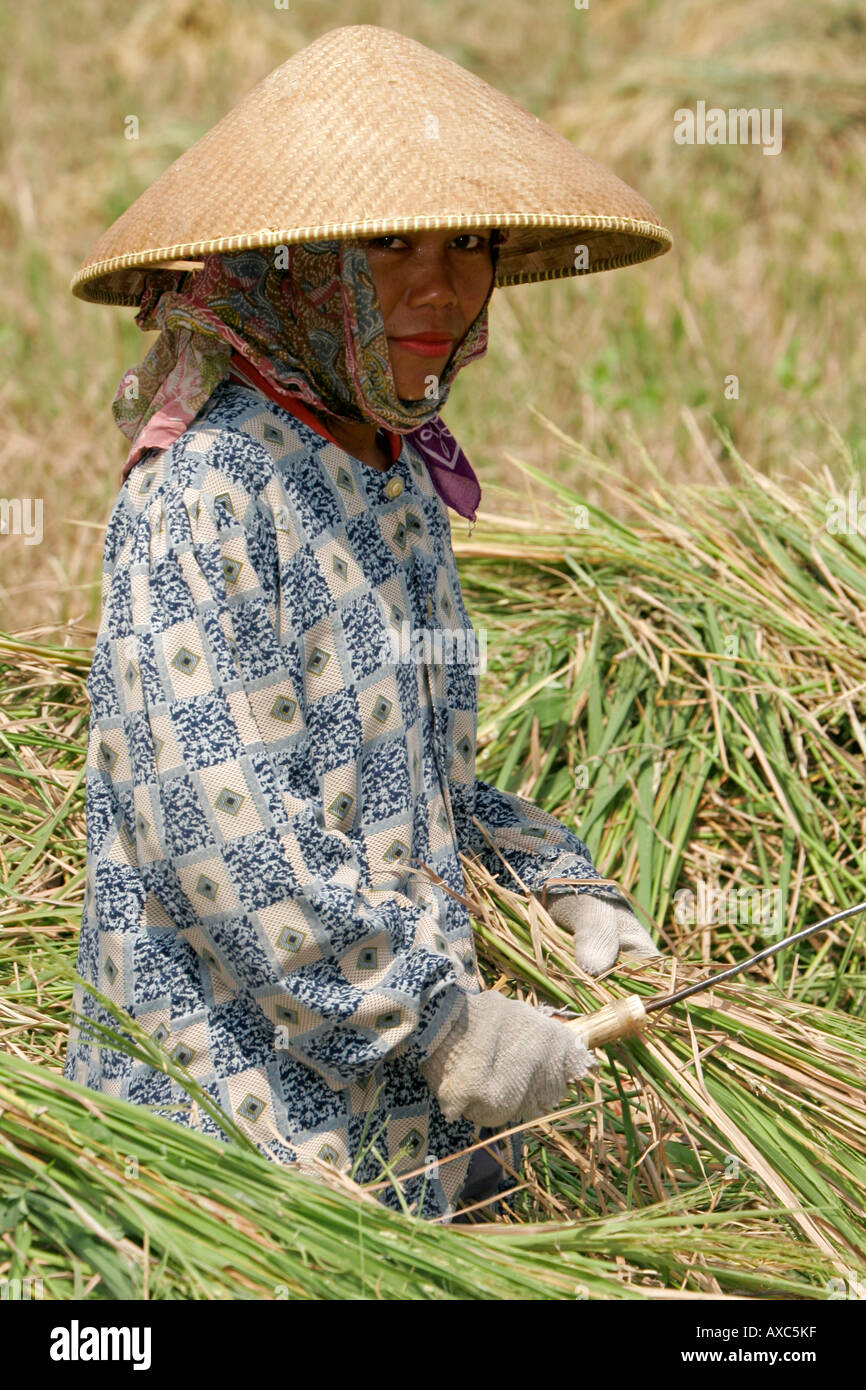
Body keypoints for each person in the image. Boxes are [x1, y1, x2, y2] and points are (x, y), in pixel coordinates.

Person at [64, 25, 669, 1222]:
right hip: (236, 1158)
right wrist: (441, 1024)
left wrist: (556, 889)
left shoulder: (392, 478)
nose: (438, 288)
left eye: (467, 244)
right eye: (386, 245)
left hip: (393, 1149)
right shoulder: (204, 496)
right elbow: (221, 838)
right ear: (289, 265)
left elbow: (410, 792)